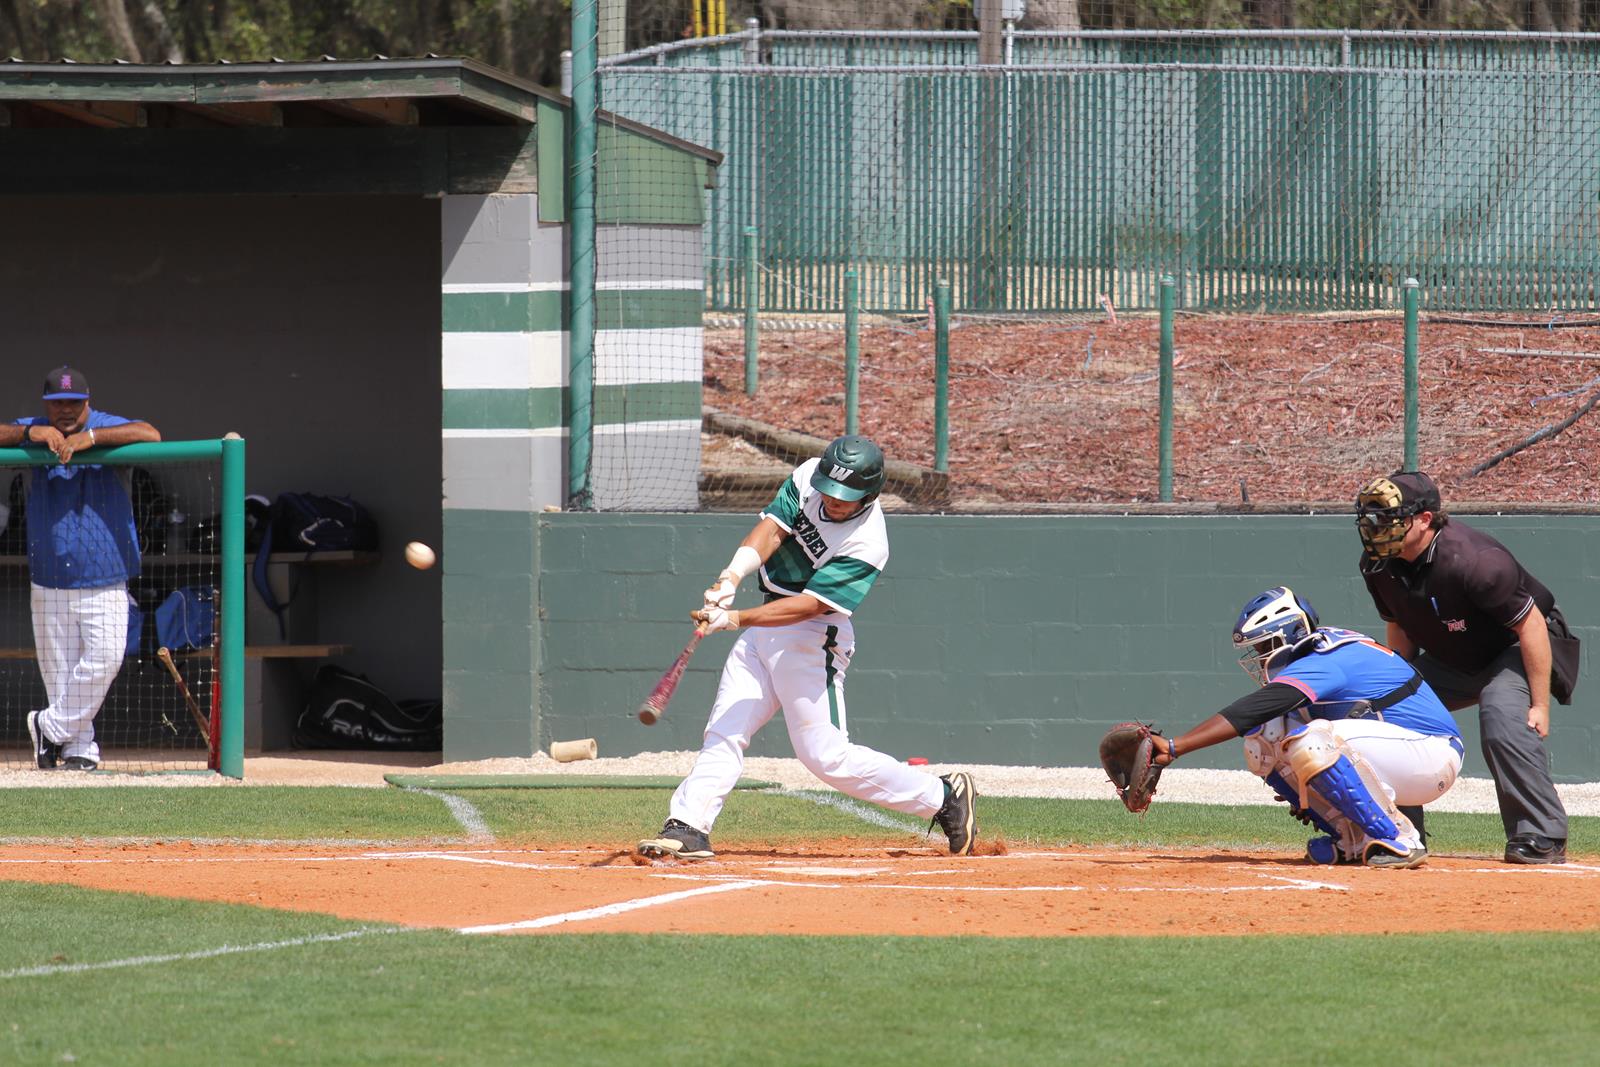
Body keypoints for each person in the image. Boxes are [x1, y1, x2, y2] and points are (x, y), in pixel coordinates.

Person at [638, 434, 978, 860]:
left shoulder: (868, 542)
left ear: (869, 496)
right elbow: (773, 528)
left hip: (813, 636)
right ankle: (688, 826)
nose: (833, 501)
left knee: (826, 758)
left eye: (846, 497)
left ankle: (943, 795)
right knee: (725, 729)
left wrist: (736, 618)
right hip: (765, 627)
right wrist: (730, 578)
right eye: (830, 491)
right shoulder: (808, 477)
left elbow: (809, 605)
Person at [1151, 586, 1463, 869]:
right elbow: (1260, 722)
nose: (1261, 657)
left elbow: (1251, 710)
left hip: (1432, 753)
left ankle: (1401, 839)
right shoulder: (1317, 649)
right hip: (1399, 752)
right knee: (1263, 740)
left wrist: (1176, 747)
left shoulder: (1325, 658)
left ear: (1291, 633)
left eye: (1265, 646)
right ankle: (1352, 839)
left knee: (1312, 741)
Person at [1356, 470, 1576, 865]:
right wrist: (1397, 688)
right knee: (1378, 713)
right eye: (1372, 518)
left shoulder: (1475, 561)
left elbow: (1531, 627)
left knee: (1501, 710)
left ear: (1424, 519)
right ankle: (1399, 833)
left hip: (1515, 647)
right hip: (1452, 657)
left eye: (1389, 517)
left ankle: (1541, 834)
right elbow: (1399, 626)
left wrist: (1540, 705)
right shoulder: (1378, 564)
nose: (1377, 527)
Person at [1, 366, 161, 771]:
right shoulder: (38, 427)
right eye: (57, 404)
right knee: (60, 676)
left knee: (106, 659)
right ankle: (78, 750)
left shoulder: (104, 425)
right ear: (46, 406)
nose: (66, 411)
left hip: (105, 575)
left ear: (88, 401)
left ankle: (47, 727)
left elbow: (150, 433)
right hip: (49, 576)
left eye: (74, 402)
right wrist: (29, 434)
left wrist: (91, 439)